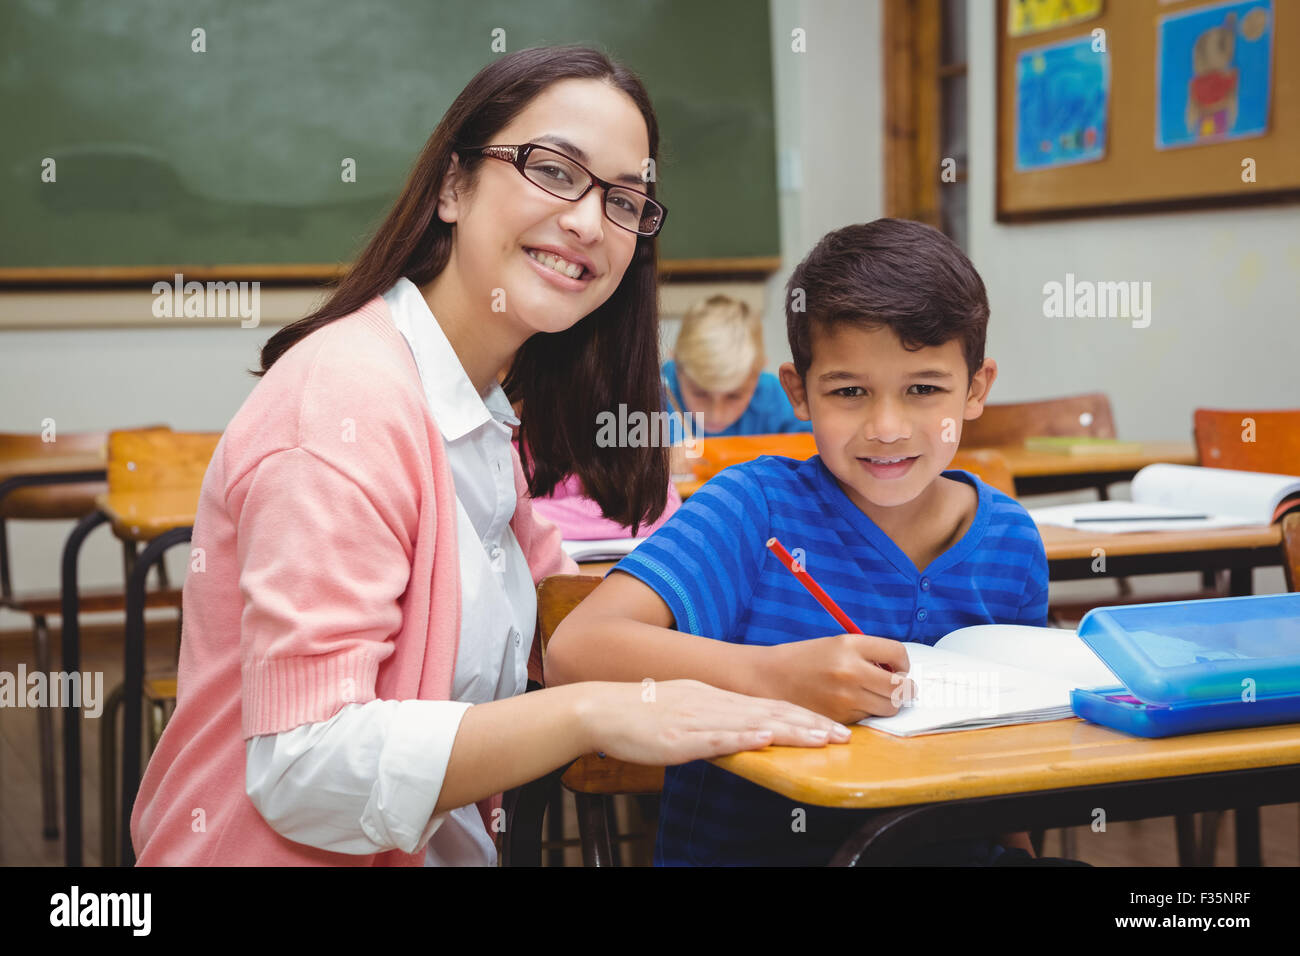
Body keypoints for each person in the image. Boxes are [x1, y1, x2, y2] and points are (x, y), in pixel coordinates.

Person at [130, 46, 847, 867]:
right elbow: (306, 766)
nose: (587, 221)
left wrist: (777, 664)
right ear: (451, 186)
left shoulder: (478, 411)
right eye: (553, 169)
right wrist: (592, 717)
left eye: (625, 199)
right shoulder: (344, 400)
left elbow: (563, 617)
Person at [547, 219, 1059, 866]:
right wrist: (773, 677)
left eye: (924, 390)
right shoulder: (752, 509)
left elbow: (1009, 763)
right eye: (849, 392)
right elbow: (577, 651)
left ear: (977, 389)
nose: (888, 427)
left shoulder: (1010, 542)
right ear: (798, 394)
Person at [661, 293, 813, 437]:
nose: (716, 415)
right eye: (700, 394)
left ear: (758, 373)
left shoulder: (771, 394)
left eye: (734, 396)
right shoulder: (657, 392)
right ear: (676, 366)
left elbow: (811, 446)